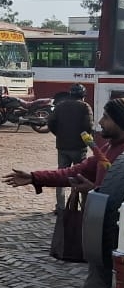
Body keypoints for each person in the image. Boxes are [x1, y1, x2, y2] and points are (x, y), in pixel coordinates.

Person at [3, 98, 124, 288]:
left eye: (107, 118)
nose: (100, 123)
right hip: (102, 236)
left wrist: (96, 191)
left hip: (122, 238)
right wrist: (36, 177)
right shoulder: (107, 147)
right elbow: (76, 170)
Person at [46, 83, 94, 214]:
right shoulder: (85, 107)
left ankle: (60, 207)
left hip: (62, 146)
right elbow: (88, 126)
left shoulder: (60, 106)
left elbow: (50, 123)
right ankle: (82, 207)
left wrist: (59, 134)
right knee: (81, 176)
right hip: (79, 148)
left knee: (61, 176)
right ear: (83, 96)